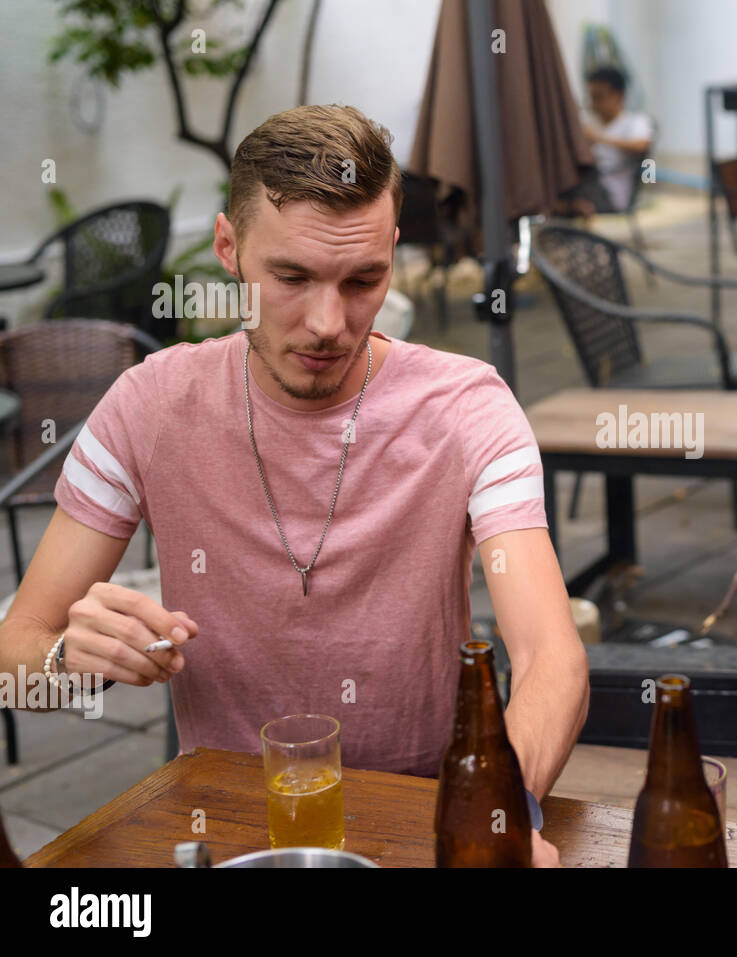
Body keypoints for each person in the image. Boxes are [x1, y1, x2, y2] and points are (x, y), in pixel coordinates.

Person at [0, 105, 588, 867]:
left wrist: (500, 805)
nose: (327, 323)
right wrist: (64, 661)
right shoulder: (149, 404)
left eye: (362, 280)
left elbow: (552, 656)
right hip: (221, 822)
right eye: (292, 277)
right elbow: (15, 656)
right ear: (228, 249)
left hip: (424, 813)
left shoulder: (467, 407)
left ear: (392, 255)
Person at [559, 66, 653, 217]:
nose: (593, 103)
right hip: (586, 182)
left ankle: (572, 207)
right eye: (591, 97)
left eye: (598, 97)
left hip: (611, 192)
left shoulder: (635, 122)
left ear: (618, 96)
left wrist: (596, 137)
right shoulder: (588, 121)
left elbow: (641, 145)